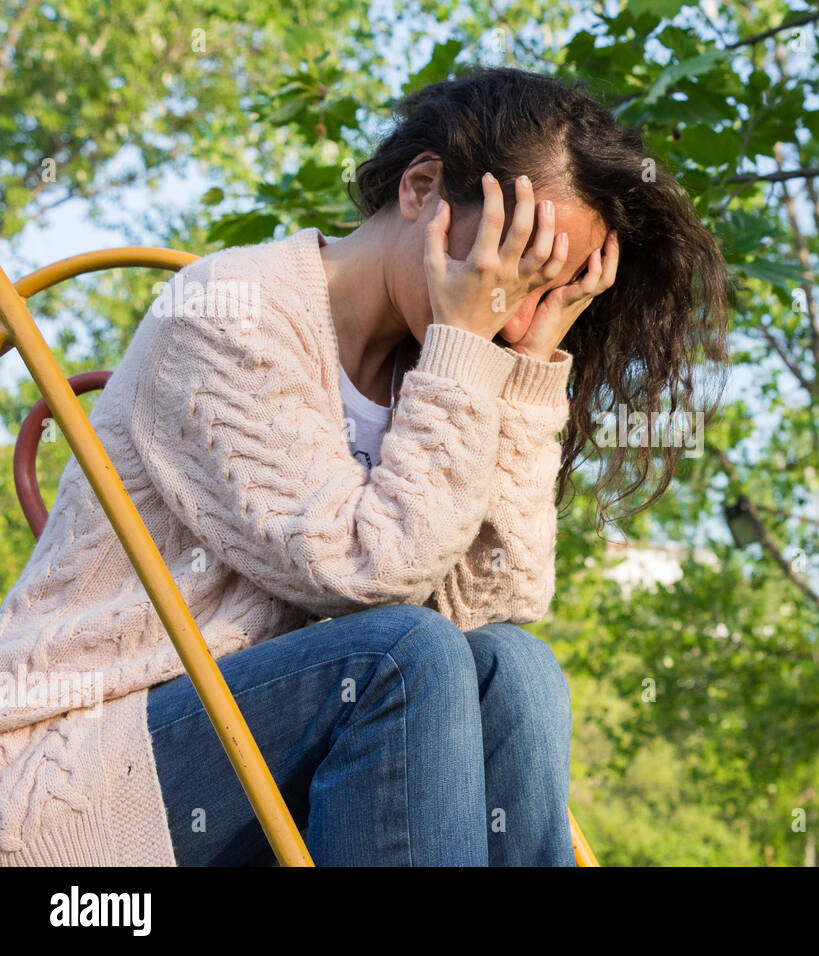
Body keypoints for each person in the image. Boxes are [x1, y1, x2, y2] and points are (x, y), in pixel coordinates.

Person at [0, 66, 730, 866]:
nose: (515, 311)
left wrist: (525, 366)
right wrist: (464, 355)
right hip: (85, 765)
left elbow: (491, 606)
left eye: (548, 291)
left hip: (273, 766)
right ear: (422, 188)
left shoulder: (443, 370)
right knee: (399, 656)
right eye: (511, 265)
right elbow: (363, 572)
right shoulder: (227, 311)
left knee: (514, 670)